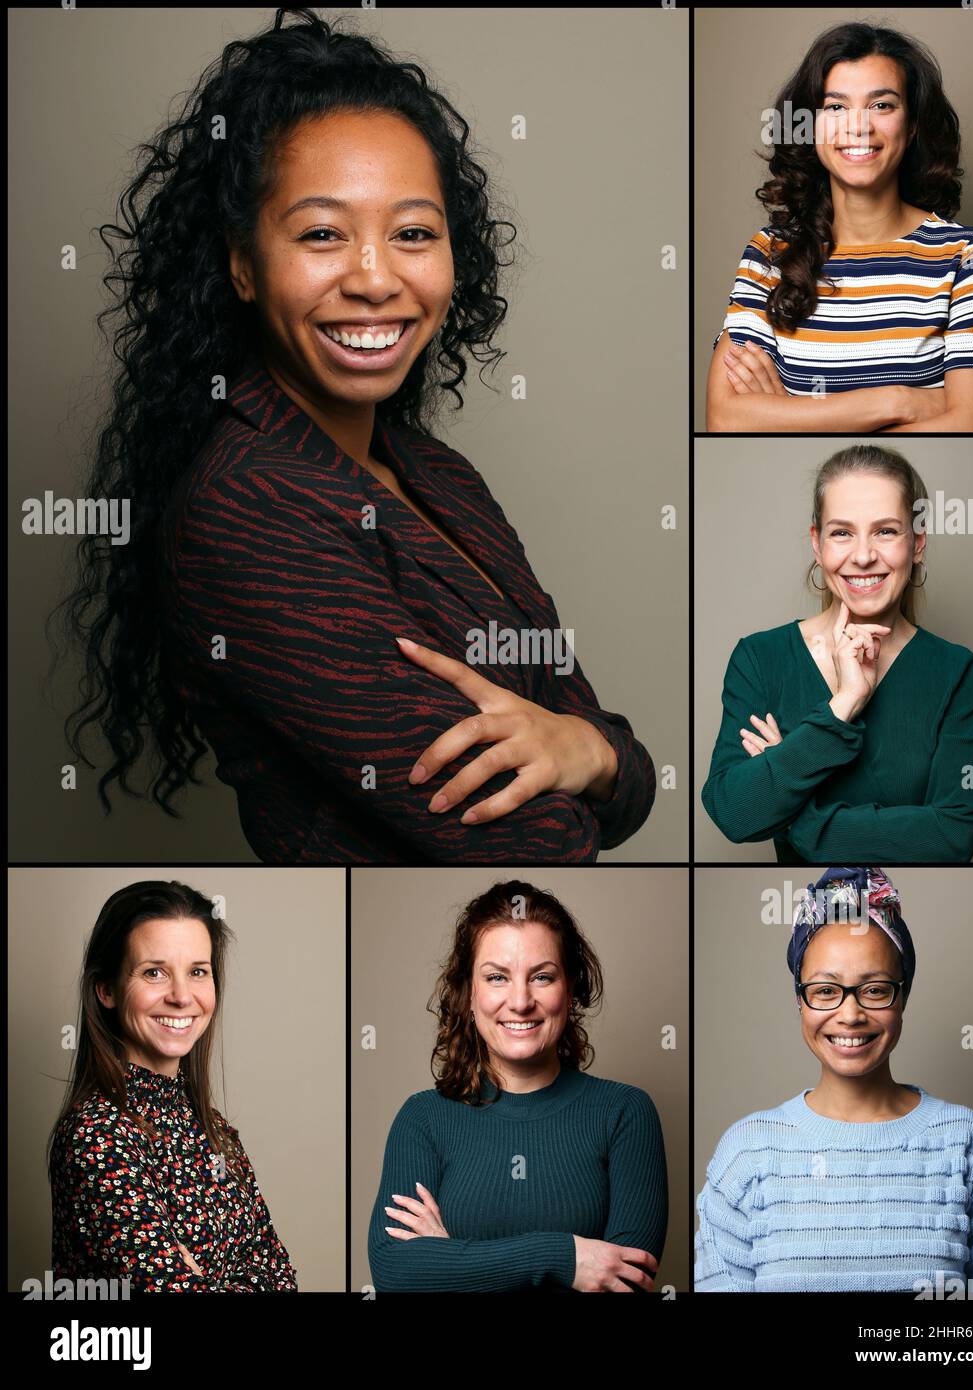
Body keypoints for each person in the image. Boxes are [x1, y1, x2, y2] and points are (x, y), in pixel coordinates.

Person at [57, 11, 655, 863]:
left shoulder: (441, 476)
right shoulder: (246, 507)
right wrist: (592, 757)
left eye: (413, 232)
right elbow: (539, 839)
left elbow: (619, 766)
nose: (375, 279)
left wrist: (591, 751)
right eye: (322, 234)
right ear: (240, 263)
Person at [695, 867, 973, 1293]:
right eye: (825, 990)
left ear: (902, 997)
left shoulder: (972, 1146)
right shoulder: (746, 1153)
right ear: (800, 999)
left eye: (874, 990)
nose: (850, 1014)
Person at [705, 22, 973, 433]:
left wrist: (788, 418)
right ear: (810, 127)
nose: (858, 127)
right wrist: (898, 401)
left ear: (913, 124)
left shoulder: (966, 254)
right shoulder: (768, 254)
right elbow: (725, 420)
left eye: (881, 105)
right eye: (835, 107)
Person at [367, 881, 668, 1292]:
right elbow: (394, 1273)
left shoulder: (625, 1113)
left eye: (542, 977)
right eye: (497, 978)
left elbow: (627, 1283)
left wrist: (450, 1260)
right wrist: (562, 1257)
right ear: (468, 994)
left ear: (571, 988)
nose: (521, 1001)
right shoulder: (423, 1119)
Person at [701, 444, 973, 864]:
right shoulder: (759, 658)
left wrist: (793, 812)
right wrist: (843, 706)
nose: (862, 555)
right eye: (842, 532)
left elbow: (952, 837)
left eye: (886, 531)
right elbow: (733, 811)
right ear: (817, 545)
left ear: (918, 543)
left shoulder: (956, 672)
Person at [47, 881, 297, 1292]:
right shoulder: (97, 1136)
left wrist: (203, 1282)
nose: (182, 996)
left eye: (198, 971)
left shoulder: (216, 1130)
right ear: (107, 989)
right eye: (154, 972)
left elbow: (283, 1279)